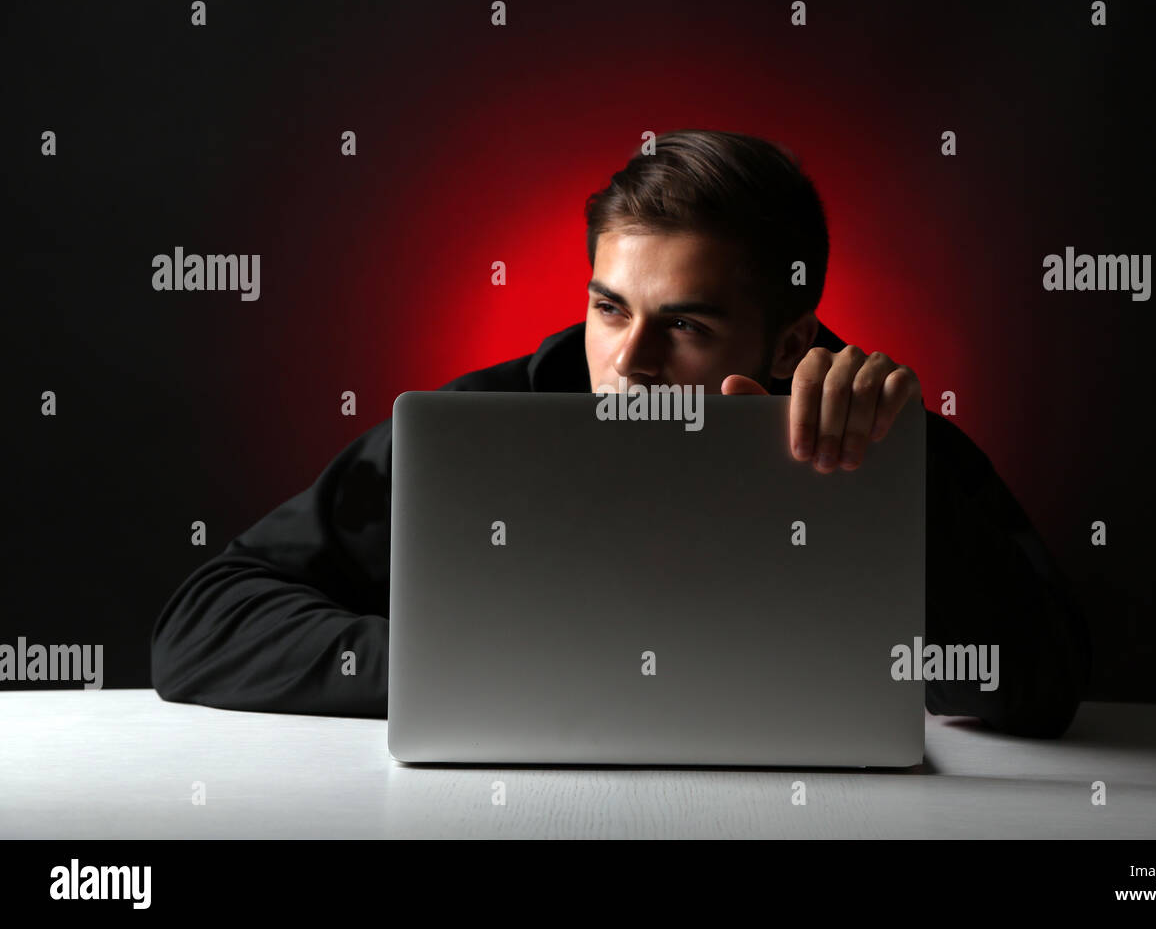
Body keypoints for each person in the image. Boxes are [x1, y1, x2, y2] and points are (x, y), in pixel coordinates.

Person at [152, 129, 1091, 738]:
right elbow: (204, 622)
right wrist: (451, 665)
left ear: (791, 338)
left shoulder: (879, 435)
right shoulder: (481, 430)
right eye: (611, 309)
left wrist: (895, 482)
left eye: (684, 325)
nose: (629, 361)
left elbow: (1041, 684)